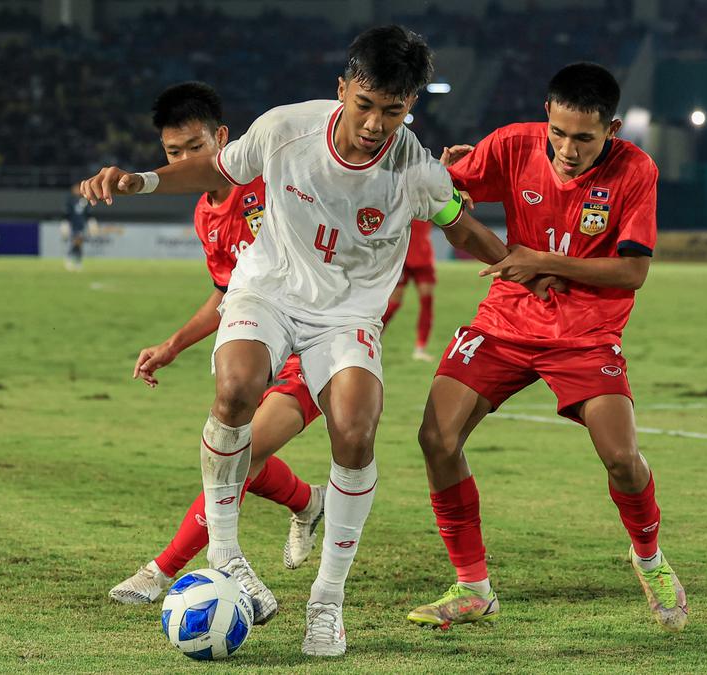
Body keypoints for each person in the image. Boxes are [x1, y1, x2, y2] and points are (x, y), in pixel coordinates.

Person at [79, 25, 554, 657]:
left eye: (393, 111)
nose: (375, 124)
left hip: (347, 314)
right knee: (236, 388)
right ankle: (226, 556)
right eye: (365, 105)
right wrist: (137, 180)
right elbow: (214, 167)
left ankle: (326, 603)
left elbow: (458, 225)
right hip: (270, 289)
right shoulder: (286, 128)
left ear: (410, 105)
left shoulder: (416, 169)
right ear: (342, 89)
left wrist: (516, 266)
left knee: (356, 431)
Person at [405, 63, 689, 633]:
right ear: (546, 116)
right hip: (505, 320)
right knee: (437, 438)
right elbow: (446, 189)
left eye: (584, 138)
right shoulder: (513, 144)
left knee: (621, 459)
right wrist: (445, 175)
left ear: (611, 130)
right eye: (558, 132)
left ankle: (649, 559)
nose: (567, 149)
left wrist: (542, 261)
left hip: (586, 334)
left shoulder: (636, 170)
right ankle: (473, 588)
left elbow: (633, 272)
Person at [108, 82, 325, 606]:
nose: (184, 162)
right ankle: (308, 502)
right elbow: (226, 292)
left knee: (237, 455)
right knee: (237, 451)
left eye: (195, 148)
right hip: (256, 342)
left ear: (223, 139)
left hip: (315, 340)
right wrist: (173, 345)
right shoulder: (205, 213)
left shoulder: (268, 179)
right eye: (173, 153)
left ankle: (161, 571)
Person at [382, 218, 438, 361]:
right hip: (403, 257)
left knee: (426, 302)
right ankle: (373, 336)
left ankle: (420, 349)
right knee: (393, 303)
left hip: (423, 257)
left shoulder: (428, 205)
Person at [62, 184, 95, 271]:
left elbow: (88, 214)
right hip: (74, 225)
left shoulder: (84, 200)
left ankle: (77, 262)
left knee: (79, 244)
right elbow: (67, 214)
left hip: (82, 225)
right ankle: (70, 259)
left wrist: (91, 223)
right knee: (76, 242)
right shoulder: (71, 201)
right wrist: (65, 224)